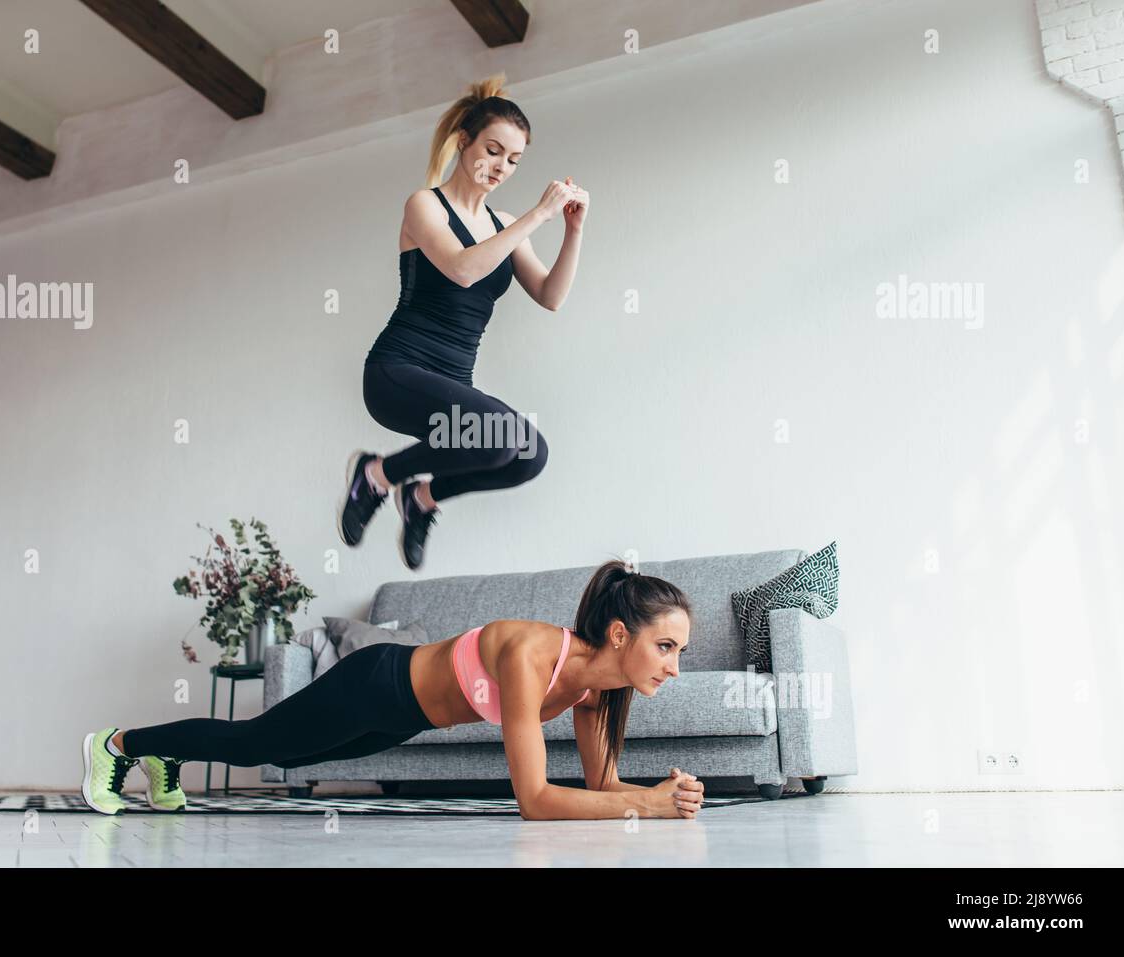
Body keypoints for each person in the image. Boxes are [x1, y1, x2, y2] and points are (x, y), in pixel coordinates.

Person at [81, 559, 705, 820]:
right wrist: (644, 807)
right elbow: (535, 800)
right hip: (375, 683)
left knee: (289, 755)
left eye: (679, 651)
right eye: (666, 647)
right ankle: (117, 745)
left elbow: (603, 788)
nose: (674, 666)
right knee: (256, 745)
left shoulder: (598, 692)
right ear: (621, 634)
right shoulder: (530, 653)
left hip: (406, 718)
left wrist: (666, 795)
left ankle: (165, 755)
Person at [337, 72, 590, 570]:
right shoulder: (424, 204)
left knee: (527, 454)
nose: (502, 167)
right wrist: (538, 214)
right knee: (497, 433)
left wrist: (573, 229)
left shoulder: (504, 226)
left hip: (452, 381)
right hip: (397, 373)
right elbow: (463, 269)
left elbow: (551, 296)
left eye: (514, 160)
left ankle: (420, 500)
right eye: (493, 151)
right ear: (462, 141)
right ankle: (375, 475)